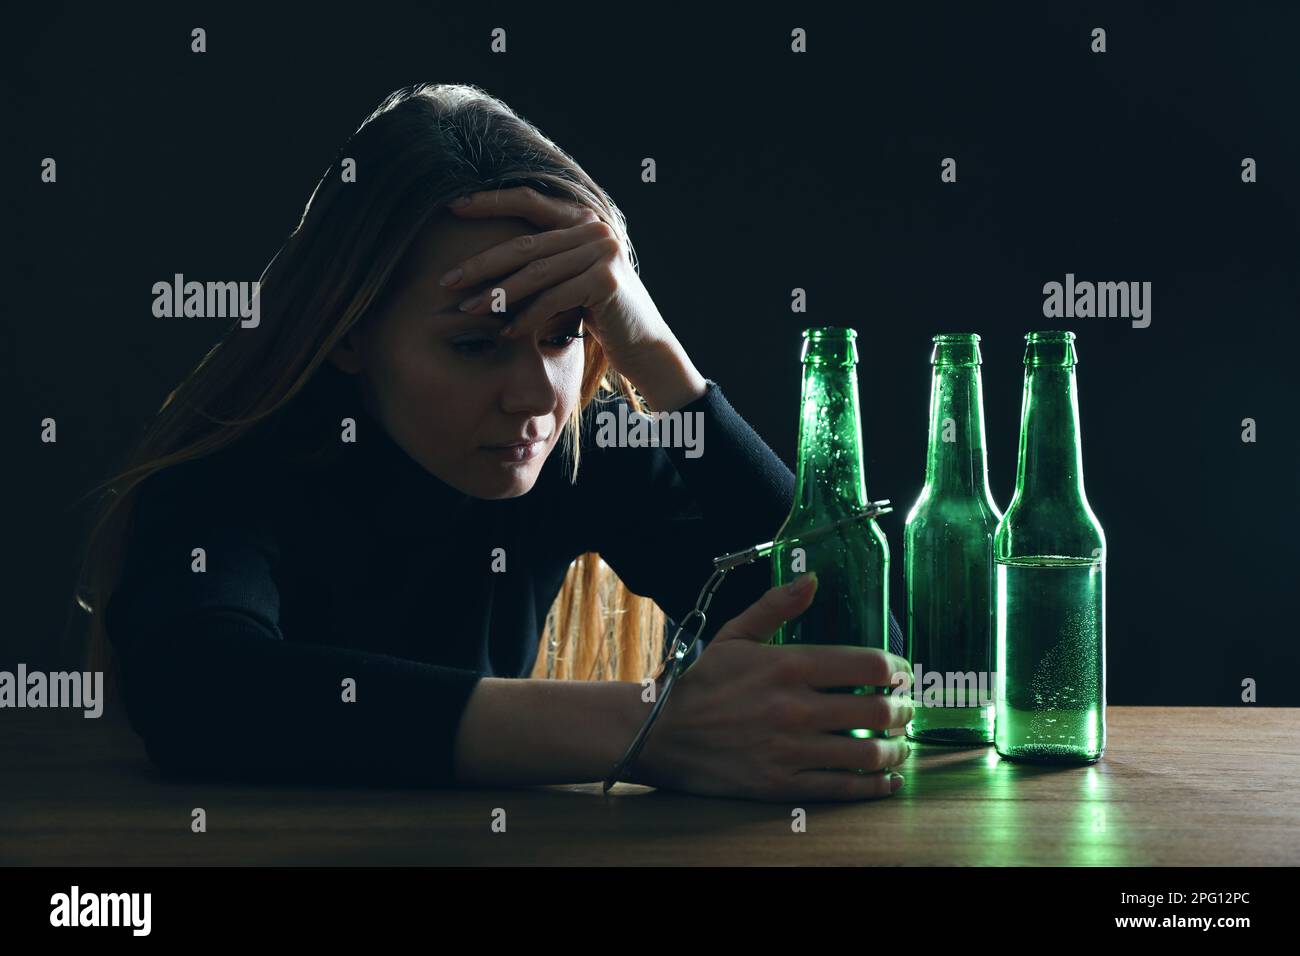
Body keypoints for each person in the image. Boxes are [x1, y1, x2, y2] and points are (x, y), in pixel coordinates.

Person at [75, 83, 912, 802]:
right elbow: (199, 690)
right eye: (476, 344)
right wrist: (646, 729)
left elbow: (851, 652)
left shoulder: (583, 449)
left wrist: (665, 371)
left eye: (566, 334)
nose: (537, 396)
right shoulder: (243, 458)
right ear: (350, 335)